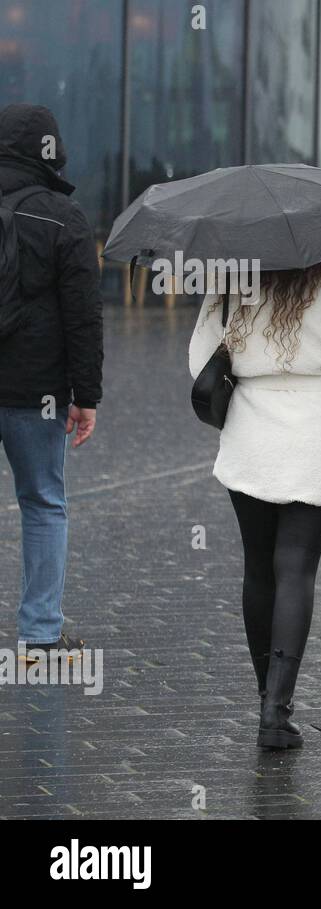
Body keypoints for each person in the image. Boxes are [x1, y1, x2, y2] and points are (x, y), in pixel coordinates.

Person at [188, 255, 321, 749]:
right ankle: (276, 712)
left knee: (258, 568)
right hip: (314, 438)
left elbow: (200, 362)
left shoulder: (232, 283)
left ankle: (266, 695)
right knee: (296, 569)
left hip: (249, 437)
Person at [0, 103, 102, 663]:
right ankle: (39, 635)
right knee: (42, 503)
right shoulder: (66, 217)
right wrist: (85, 397)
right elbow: (83, 315)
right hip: (35, 392)